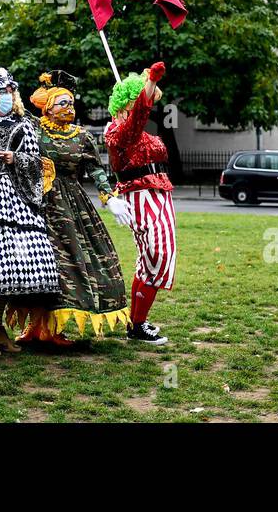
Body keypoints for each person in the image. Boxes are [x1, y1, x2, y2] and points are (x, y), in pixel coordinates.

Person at [10, 71, 131, 346]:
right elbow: (15, 110)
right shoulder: (34, 128)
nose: (69, 108)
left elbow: (97, 171)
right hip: (38, 203)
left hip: (72, 207)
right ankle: (35, 325)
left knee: (68, 263)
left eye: (71, 103)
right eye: (62, 103)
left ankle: (55, 328)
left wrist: (109, 198)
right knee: (38, 263)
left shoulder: (82, 137)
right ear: (48, 107)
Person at [0, 67, 60, 356]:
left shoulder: (21, 124)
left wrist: (15, 158)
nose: (6, 96)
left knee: (5, 268)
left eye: (9, 91)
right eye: (0, 92)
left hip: (11, 196)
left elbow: (36, 160)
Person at [104, 61, 177, 346]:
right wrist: (150, 82)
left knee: (150, 261)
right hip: (141, 196)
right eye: (143, 102)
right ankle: (138, 323)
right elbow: (136, 120)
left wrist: (151, 85)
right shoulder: (118, 131)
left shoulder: (140, 133)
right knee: (156, 257)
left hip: (160, 196)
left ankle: (137, 324)